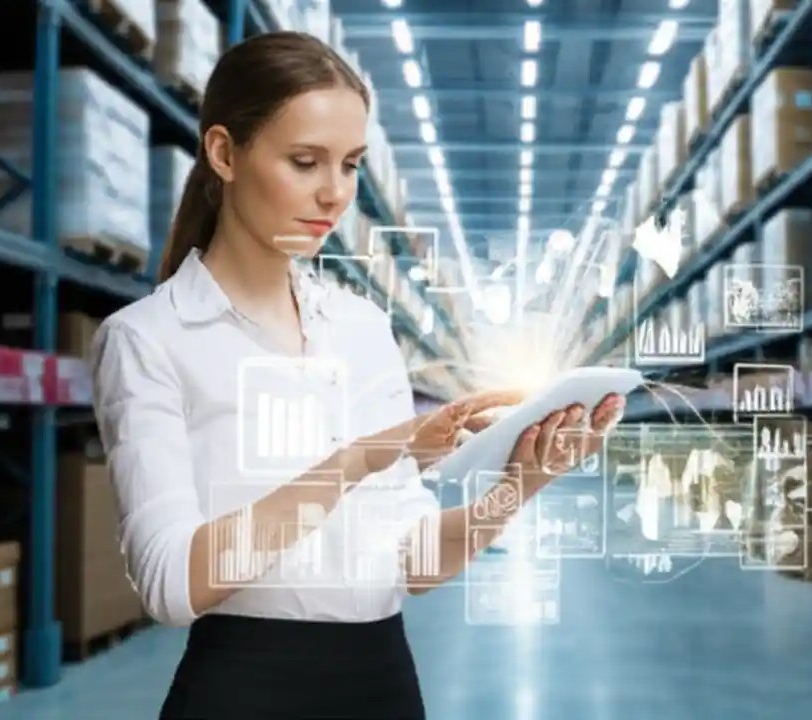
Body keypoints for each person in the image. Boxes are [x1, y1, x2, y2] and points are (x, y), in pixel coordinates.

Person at [89, 32, 626, 720]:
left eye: (350, 165)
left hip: (382, 682)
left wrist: (520, 485)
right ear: (224, 153)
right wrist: (358, 461)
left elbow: (415, 561)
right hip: (244, 688)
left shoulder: (361, 329)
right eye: (306, 161)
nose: (334, 194)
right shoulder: (148, 339)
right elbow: (172, 583)